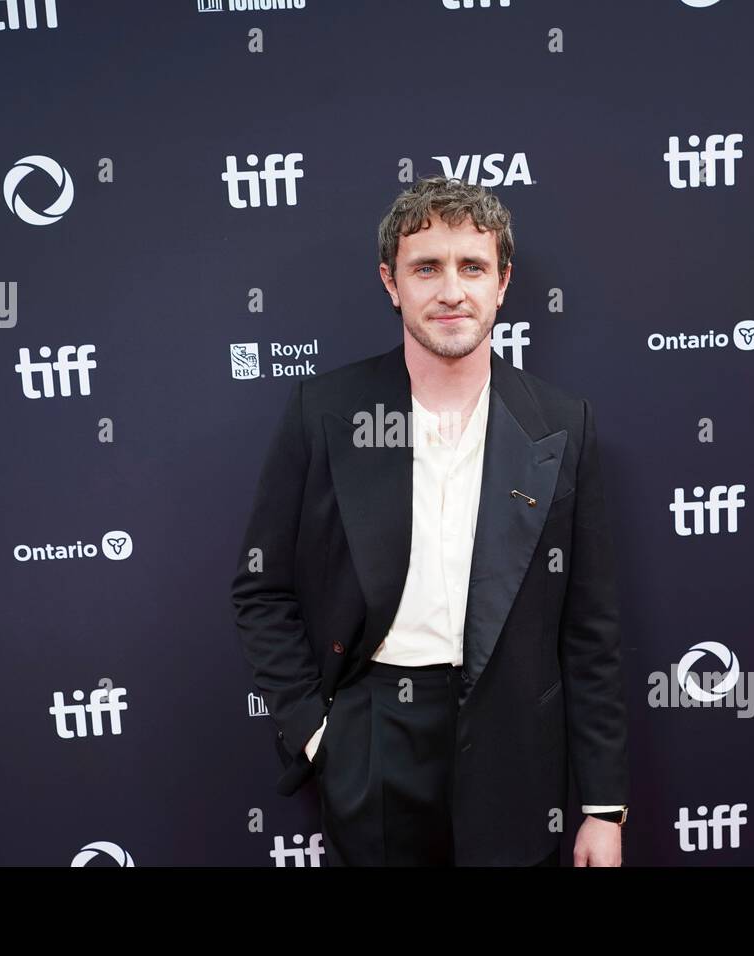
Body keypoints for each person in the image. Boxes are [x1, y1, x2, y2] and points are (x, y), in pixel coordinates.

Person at [231, 175, 629, 866]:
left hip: (517, 750)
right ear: (391, 282)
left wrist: (601, 806)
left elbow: (589, 629)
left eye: (472, 266)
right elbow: (262, 591)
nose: (451, 291)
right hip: (374, 738)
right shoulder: (324, 412)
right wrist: (319, 734)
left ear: (502, 283)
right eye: (427, 268)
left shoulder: (563, 425)